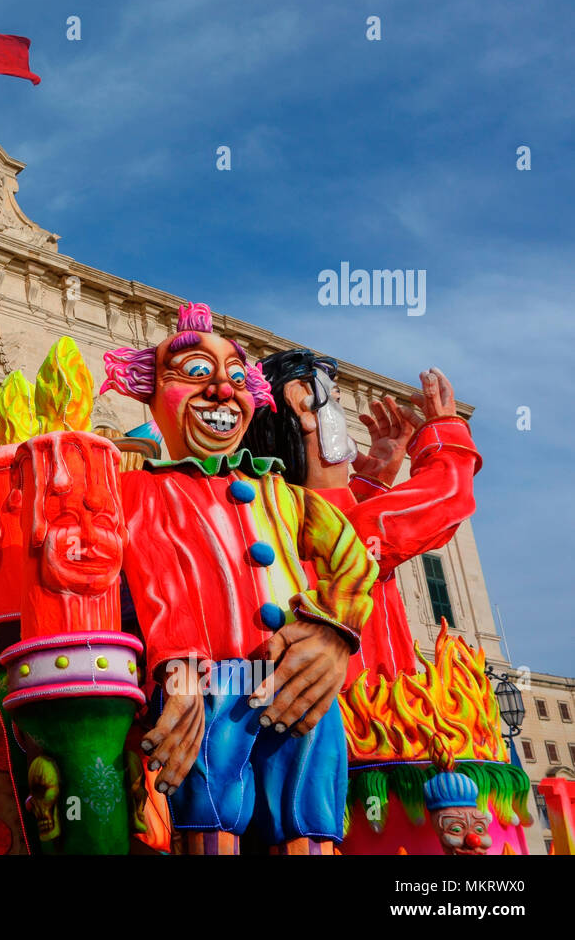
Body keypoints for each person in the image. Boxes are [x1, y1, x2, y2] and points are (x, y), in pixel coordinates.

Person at [100, 302, 377, 854]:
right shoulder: (140, 490)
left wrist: (332, 634)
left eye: (233, 378)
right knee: (209, 820)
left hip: (296, 682)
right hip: (209, 687)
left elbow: (353, 562)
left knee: (308, 822)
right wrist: (177, 679)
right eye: (197, 374)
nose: (221, 392)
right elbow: (160, 586)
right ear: (150, 389)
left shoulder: (284, 494)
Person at [240, 352, 480, 687]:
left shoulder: (292, 519)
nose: (339, 413)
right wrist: (443, 433)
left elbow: (355, 531)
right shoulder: (339, 532)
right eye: (335, 401)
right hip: (374, 724)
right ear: (302, 406)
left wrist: (372, 483)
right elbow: (447, 497)